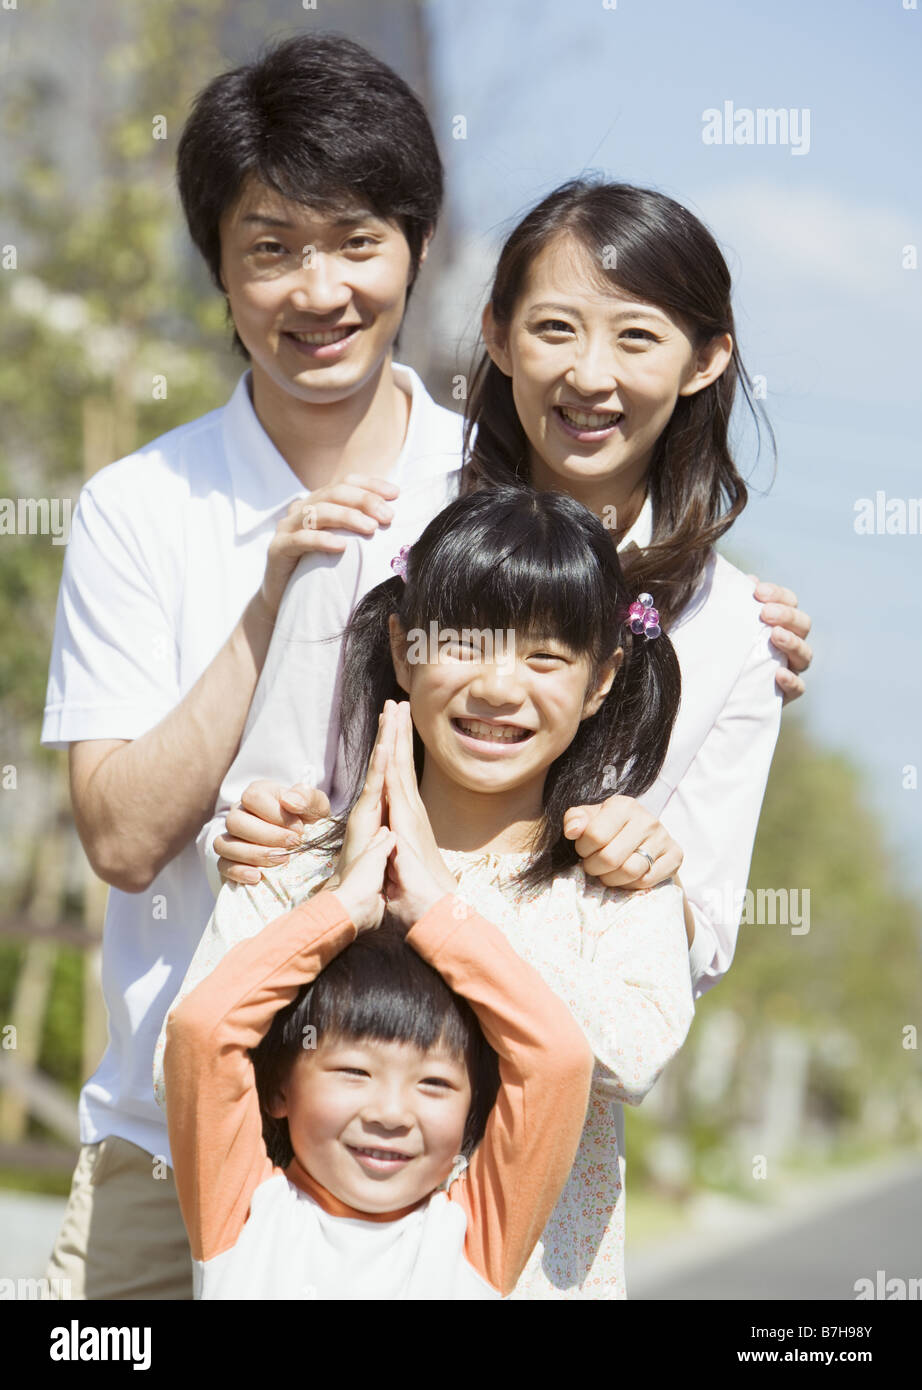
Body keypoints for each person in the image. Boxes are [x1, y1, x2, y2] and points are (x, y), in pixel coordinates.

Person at [40, 32, 455, 1300]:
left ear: (414, 249)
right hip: (170, 1149)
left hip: (429, 1159)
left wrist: (713, 625)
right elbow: (117, 836)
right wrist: (268, 605)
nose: (317, 290)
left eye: (354, 241)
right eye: (271, 248)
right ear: (221, 273)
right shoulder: (135, 505)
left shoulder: (492, 488)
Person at [205, 177, 811, 1001]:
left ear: (705, 360)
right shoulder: (367, 535)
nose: (590, 376)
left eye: (637, 338)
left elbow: (698, 946)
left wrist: (648, 874)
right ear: (496, 333)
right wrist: (250, 834)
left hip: (548, 1097)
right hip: (338, 1065)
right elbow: (254, 826)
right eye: (554, 329)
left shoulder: (735, 634)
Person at [157, 487, 697, 1299]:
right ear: (404, 650)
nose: (498, 688)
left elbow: (630, 1054)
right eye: (463, 646)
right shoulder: (298, 866)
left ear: (602, 682)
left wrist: (447, 912)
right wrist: (335, 910)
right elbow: (191, 1066)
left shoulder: (619, 886)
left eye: (546, 658)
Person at [163, 824, 594, 1300]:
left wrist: (437, 915)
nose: (390, 1114)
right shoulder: (242, 1213)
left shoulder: (472, 1242)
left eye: (433, 1083)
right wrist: (342, 910)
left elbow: (559, 1059)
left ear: (474, 1110)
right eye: (354, 1072)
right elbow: (203, 1030)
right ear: (279, 1088)